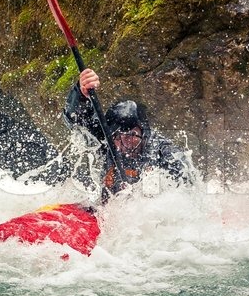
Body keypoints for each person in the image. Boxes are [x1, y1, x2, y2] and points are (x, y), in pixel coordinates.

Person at [63, 68, 194, 201]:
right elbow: (75, 120)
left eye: (130, 136)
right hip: (107, 207)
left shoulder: (165, 153)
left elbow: (187, 195)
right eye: (117, 137)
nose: (124, 144)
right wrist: (80, 94)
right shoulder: (106, 140)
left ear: (144, 132)